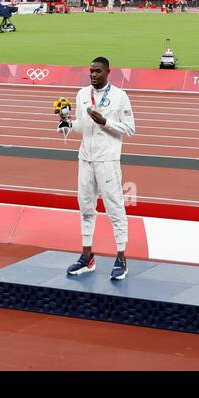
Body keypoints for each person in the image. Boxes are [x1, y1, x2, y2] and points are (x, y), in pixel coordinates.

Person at [65, 56, 136, 281]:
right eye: (91, 71)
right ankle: (87, 256)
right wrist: (66, 122)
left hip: (107, 160)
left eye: (97, 71)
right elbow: (81, 126)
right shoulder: (82, 94)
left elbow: (130, 129)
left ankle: (122, 258)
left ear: (107, 72)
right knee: (85, 207)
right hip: (85, 158)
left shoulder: (120, 96)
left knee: (115, 208)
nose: (93, 75)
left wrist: (105, 122)